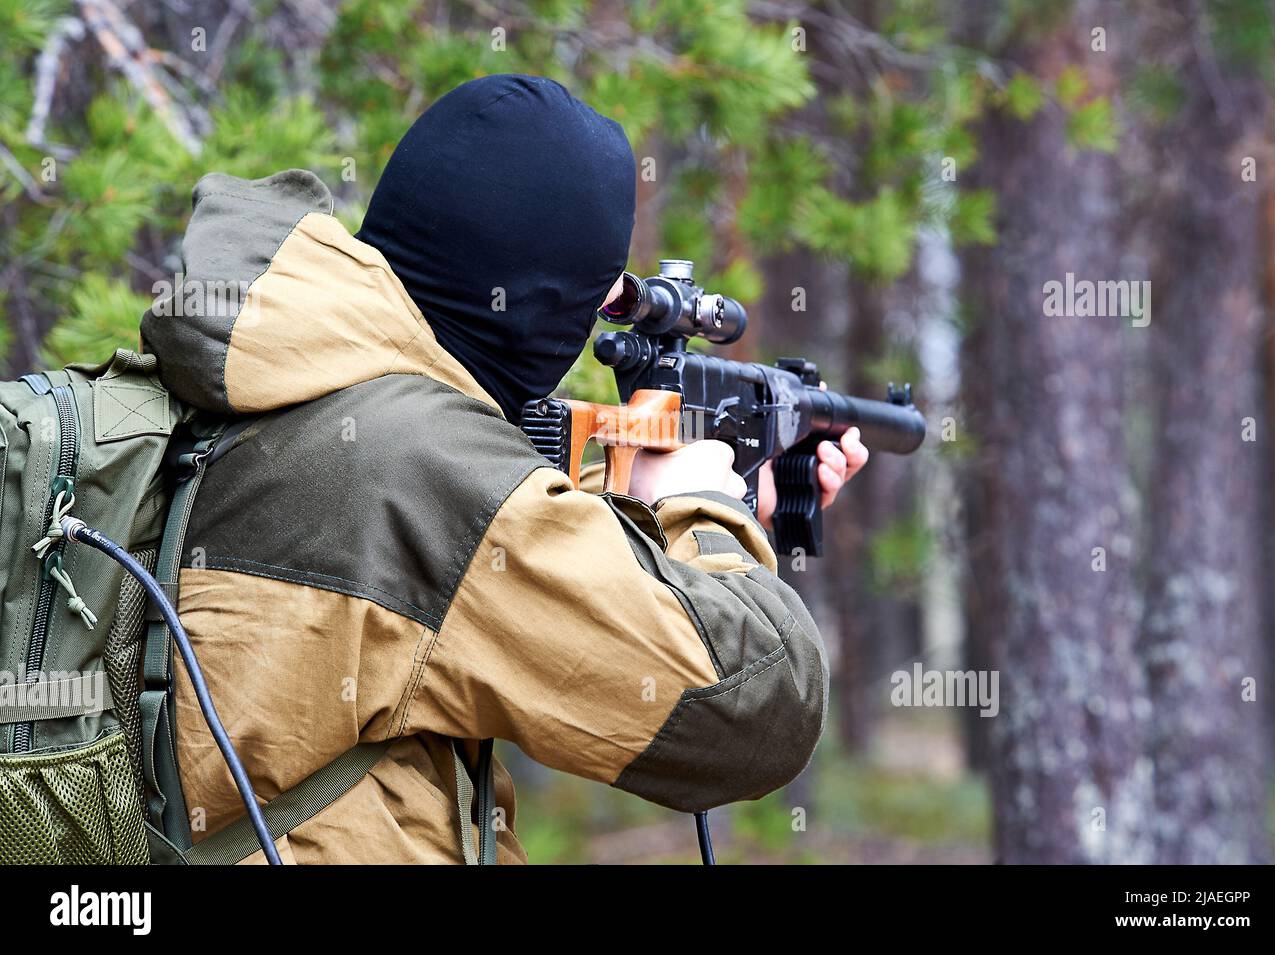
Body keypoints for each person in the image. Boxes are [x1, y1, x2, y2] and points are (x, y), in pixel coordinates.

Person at [140, 73, 867, 864]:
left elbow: (426, 565)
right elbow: (760, 703)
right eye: (595, 299)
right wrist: (701, 510)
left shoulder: (270, 370)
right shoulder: (431, 467)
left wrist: (683, 510)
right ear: (548, 304)